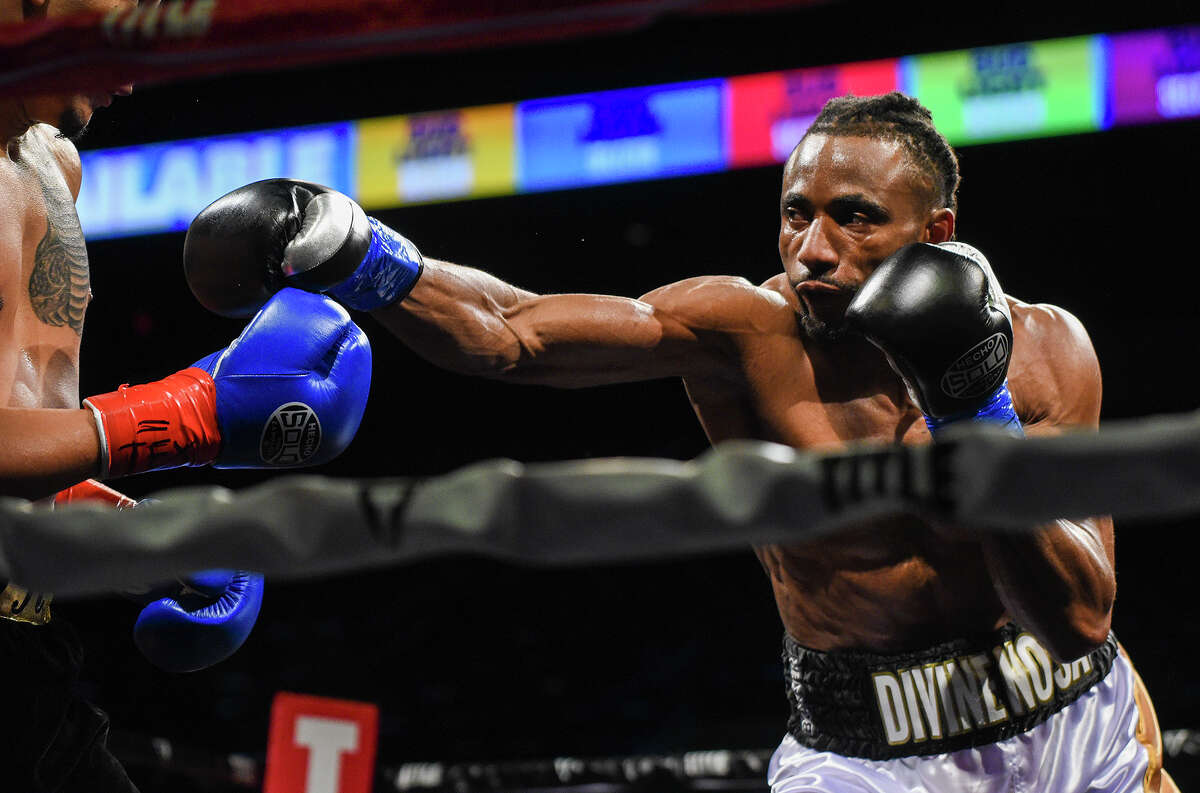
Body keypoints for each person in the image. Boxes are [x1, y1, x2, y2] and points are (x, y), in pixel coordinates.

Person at [187, 91, 1175, 792]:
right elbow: (516, 333)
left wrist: (975, 411)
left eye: (854, 219)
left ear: (938, 229)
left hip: (1072, 725)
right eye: (797, 214)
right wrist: (365, 255)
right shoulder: (748, 333)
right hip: (869, 756)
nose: (813, 249)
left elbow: (1078, 616)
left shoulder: (1045, 351)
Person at [0, 1, 374, 790]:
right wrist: (188, 412)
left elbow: (25, 441)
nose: (136, 73)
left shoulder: (53, 166)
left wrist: (146, 542)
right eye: (130, 9)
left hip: (26, 644)